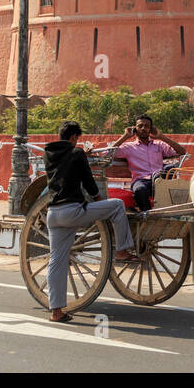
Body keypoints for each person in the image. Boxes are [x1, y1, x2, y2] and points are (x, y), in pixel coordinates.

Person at [43, 120, 135, 323]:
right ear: (75, 138)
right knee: (118, 205)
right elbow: (88, 181)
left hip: (53, 213)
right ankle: (121, 249)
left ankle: (56, 311)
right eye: (78, 139)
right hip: (72, 210)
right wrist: (100, 201)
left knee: (56, 262)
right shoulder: (76, 154)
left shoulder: (49, 154)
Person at [107, 115, 187, 212]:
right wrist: (125, 136)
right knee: (140, 190)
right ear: (135, 129)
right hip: (140, 181)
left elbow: (182, 152)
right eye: (140, 126)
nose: (143, 128)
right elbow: (107, 154)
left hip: (159, 180)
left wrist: (161, 137)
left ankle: (168, 212)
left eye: (146, 126)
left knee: (169, 169)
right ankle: (148, 215)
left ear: (151, 129)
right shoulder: (129, 147)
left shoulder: (159, 145)